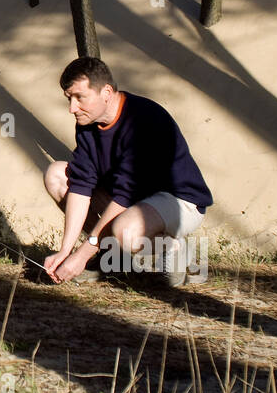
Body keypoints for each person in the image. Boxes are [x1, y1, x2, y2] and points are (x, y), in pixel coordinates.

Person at [42, 57, 212, 285]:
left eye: (80, 97)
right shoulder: (87, 124)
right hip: (131, 201)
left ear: (106, 92)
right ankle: (112, 258)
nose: (72, 108)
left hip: (179, 202)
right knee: (56, 174)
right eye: (69, 98)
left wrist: (81, 255)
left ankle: (173, 247)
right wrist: (66, 251)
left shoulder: (143, 120)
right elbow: (82, 186)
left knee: (125, 230)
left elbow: (125, 195)